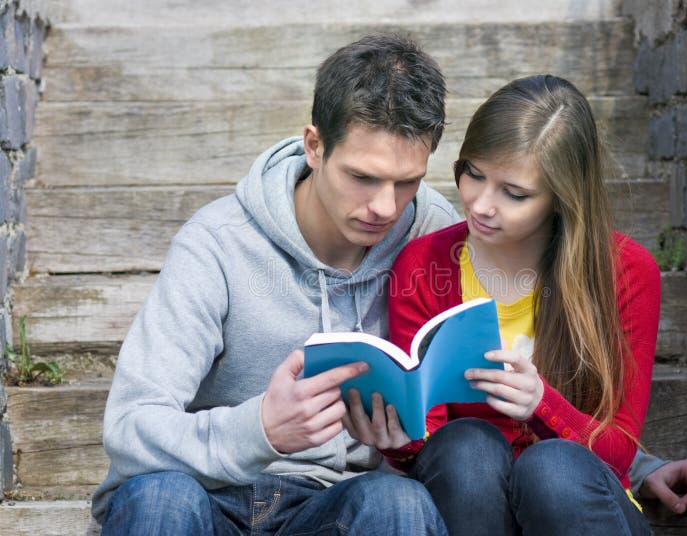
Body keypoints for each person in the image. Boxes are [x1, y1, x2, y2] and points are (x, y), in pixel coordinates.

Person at [92, 34, 458, 534]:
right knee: (160, 498)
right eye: (363, 177)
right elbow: (131, 427)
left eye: (407, 181)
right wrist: (260, 429)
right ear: (314, 146)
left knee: (398, 503)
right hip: (205, 494)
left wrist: (405, 442)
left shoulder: (433, 232)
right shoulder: (217, 243)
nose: (386, 208)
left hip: (335, 504)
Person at [344, 74, 661, 535]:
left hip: (582, 506)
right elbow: (429, 440)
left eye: (514, 193)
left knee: (551, 468)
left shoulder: (626, 272)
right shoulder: (424, 264)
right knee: (467, 446)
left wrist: (541, 402)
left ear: (561, 199)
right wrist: (395, 441)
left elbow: (619, 451)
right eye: (474, 173)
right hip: (473, 504)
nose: (480, 205)